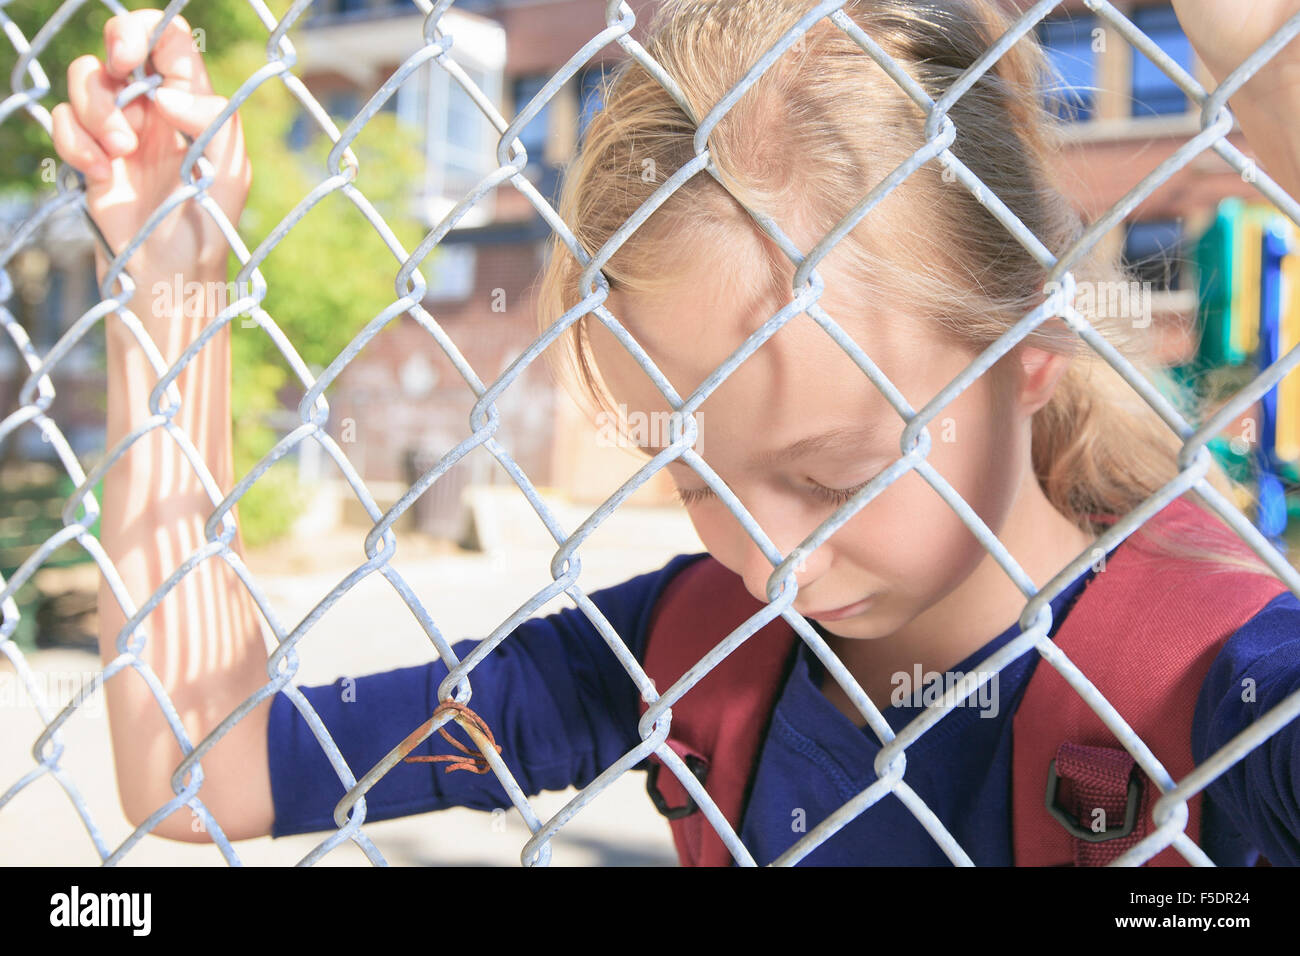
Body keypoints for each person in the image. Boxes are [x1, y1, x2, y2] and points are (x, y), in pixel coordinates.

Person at [53, 0, 1300, 864]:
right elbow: (201, 766)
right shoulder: (693, 654)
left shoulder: (1215, 685)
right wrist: (170, 290)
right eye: (695, 473)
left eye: (837, 472)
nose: (776, 563)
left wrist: (1271, 70)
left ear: (1030, 357)